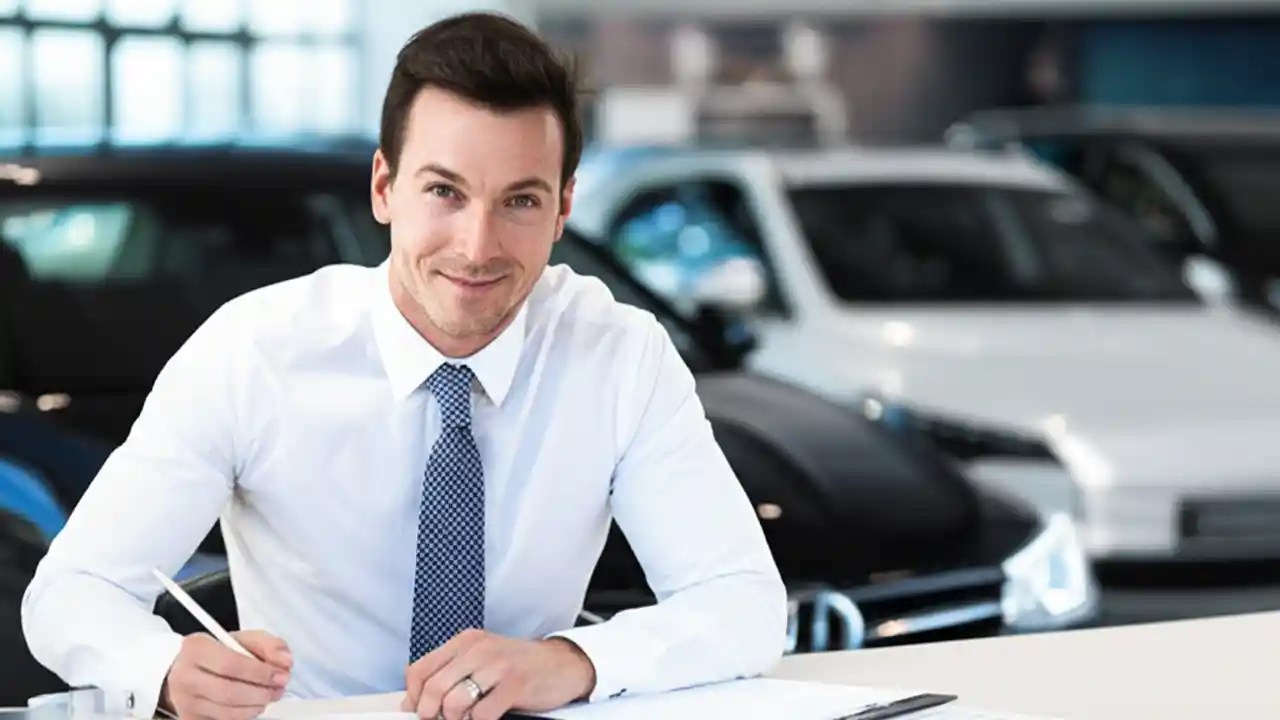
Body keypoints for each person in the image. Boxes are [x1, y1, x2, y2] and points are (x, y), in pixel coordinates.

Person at [22, 12, 786, 720]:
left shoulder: (619, 355)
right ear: (385, 188)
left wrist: (571, 661)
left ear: (562, 210)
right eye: (444, 191)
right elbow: (70, 593)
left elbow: (744, 606)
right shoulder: (253, 352)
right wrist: (162, 666)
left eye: (519, 201)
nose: (478, 245)